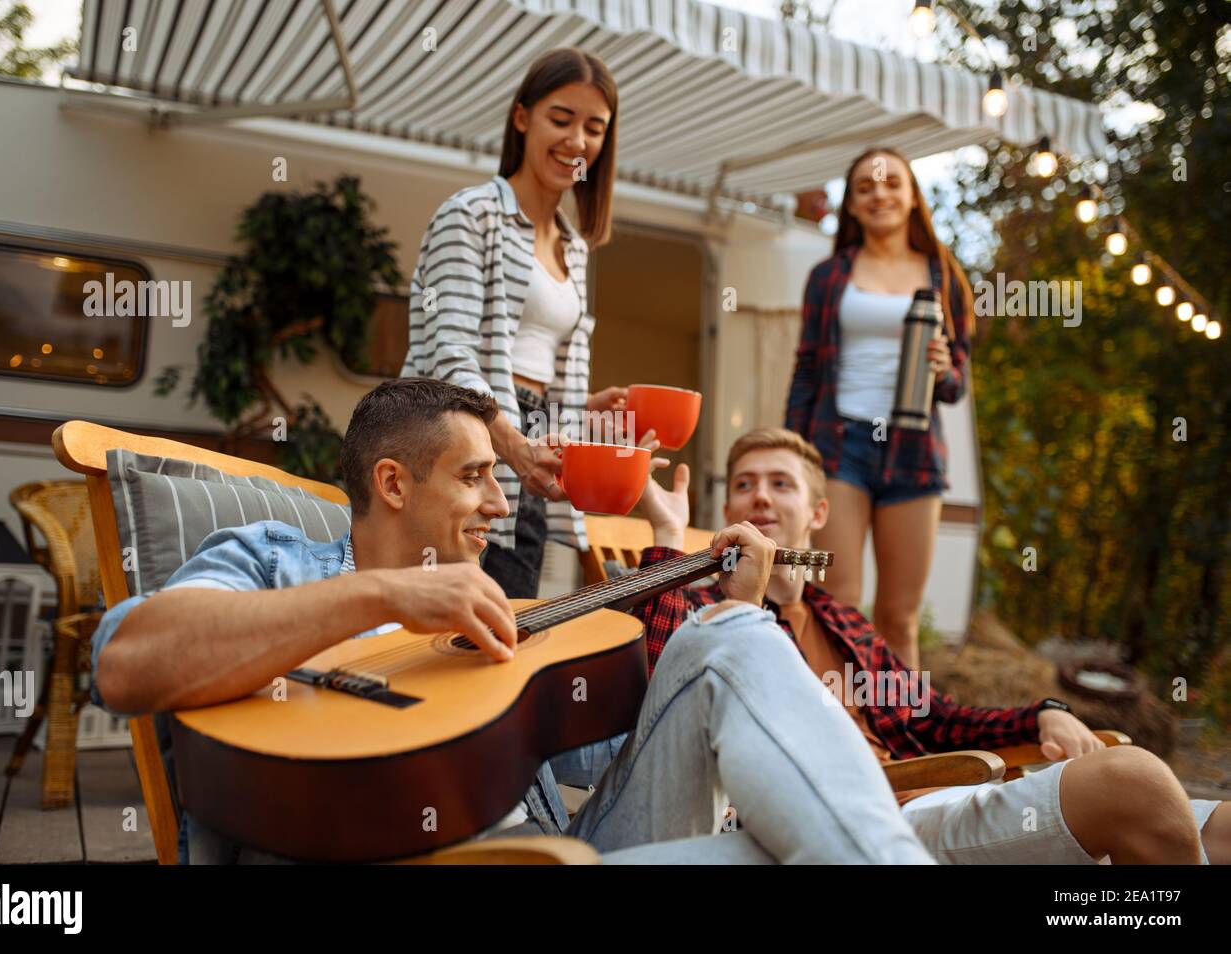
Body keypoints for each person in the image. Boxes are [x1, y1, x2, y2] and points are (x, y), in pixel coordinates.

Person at [89, 378, 934, 865]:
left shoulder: (502, 617)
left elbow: (648, 735)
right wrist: (382, 598)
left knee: (728, 646)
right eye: (476, 478)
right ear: (393, 485)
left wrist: (706, 579)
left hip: (555, 849)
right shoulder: (278, 562)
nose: (502, 504)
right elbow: (129, 664)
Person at [626, 425, 1229, 864]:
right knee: (1136, 783)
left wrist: (1045, 710)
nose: (760, 496)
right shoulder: (712, 615)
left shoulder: (843, 623)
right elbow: (665, 702)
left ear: (817, 513)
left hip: (942, 792)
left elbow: (937, 716)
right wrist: (672, 537)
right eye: (744, 484)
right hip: (868, 818)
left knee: (1222, 827)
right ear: (727, 508)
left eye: (780, 483)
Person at [401, 47, 637, 599]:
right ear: (522, 116)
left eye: (594, 128)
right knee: (439, 623)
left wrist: (581, 412)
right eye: (561, 119)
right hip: (460, 441)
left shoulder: (574, 248)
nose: (576, 142)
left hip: (530, 441)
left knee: (507, 622)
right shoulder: (471, 214)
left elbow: (537, 369)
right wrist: (509, 441)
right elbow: (449, 353)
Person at [786, 147, 973, 668]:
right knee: (839, 601)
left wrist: (943, 371)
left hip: (914, 453)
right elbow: (806, 369)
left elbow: (957, 382)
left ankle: (907, 743)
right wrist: (793, 454)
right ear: (852, 205)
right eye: (865, 187)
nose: (880, 194)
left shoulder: (944, 276)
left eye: (892, 183)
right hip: (840, 444)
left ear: (913, 196)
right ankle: (839, 731)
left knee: (900, 617)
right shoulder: (829, 275)